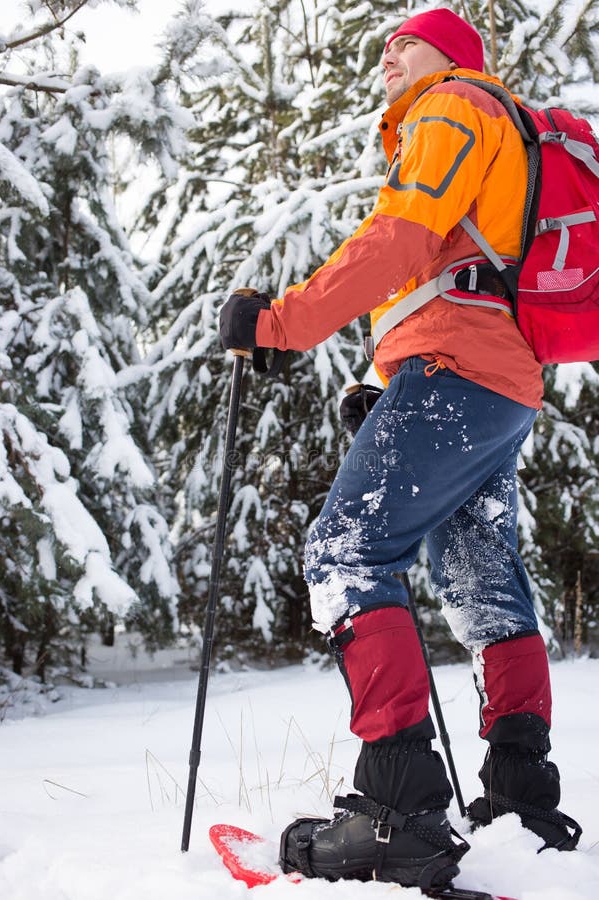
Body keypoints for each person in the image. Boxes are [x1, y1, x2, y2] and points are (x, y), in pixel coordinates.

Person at [219, 7, 582, 890]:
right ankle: (520, 792)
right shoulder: (500, 132)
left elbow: (403, 237)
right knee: (480, 584)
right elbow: (452, 272)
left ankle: (399, 810)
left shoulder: (453, 105)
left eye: (405, 42)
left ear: (451, 57)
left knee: (345, 552)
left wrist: (281, 322)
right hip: (498, 386)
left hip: (457, 374)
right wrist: (386, 393)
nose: (389, 55)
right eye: (384, 45)